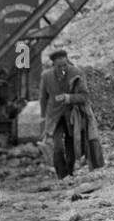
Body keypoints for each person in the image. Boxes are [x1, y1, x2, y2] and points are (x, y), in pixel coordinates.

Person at [40, 49, 104, 180]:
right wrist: (42, 117)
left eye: (65, 65)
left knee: (71, 146)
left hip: (73, 117)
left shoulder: (77, 73)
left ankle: (70, 173)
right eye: (59, 66)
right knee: (57, 146)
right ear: (53, 65)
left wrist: (68, 98)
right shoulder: (46, 76)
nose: (63, 68)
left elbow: (85, 96)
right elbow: (43, 97)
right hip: (55, 117)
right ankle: (61, 176)